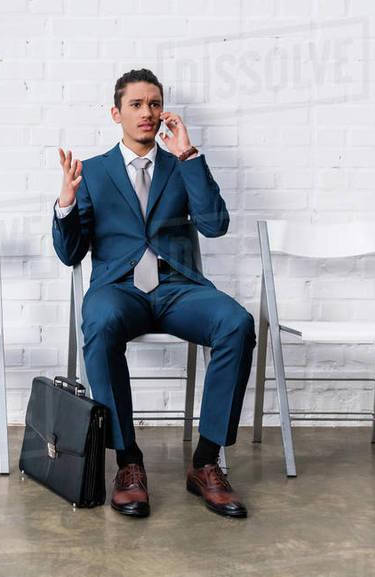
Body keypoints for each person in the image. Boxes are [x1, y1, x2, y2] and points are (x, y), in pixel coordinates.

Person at [52, 68, 255, 518]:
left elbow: (215, 226)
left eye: (154, 104)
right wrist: (65, 203)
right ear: (116, 113)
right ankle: (128, 461)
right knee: (99, 321)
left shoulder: (181, 164)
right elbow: (70, 254)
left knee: (236, 323)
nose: (147, 112)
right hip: (119, 289)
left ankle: (206, 462)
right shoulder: (93, 171)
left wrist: (188, 156)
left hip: (178, 288)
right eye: (137, 104)